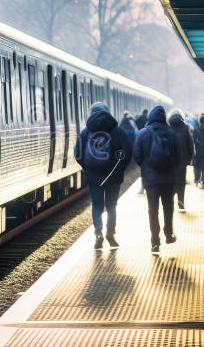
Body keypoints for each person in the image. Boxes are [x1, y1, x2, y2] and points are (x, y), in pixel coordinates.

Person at [75, 102, 133, 249]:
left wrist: (88, 168)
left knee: (97, 205)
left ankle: (98, 233)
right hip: (113, 176)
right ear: (107, 112)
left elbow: (78, 154)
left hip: (94, 177)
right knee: (111, 206)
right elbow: (127, 152)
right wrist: (119, 168)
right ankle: (111, 234)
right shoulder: (117, 131)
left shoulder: (86, 131)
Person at [133, 105, 180, 254]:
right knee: (168, 207)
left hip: (150, 180)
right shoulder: (171, 133)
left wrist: (146, 167)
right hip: (168, 179)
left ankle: (155, 241)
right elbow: (178, 157)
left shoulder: (143, 133)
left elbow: (137, 155)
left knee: (152, 210)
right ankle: (169, 234)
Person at [168, 108, 194, 211]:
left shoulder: (168, 127)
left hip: (170, 161)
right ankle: (181, 201)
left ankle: (170, 200)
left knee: (171, 181)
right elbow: (190, 144)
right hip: (182, 160)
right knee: (181, 181)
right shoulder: (186, 127)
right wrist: (189, 159)